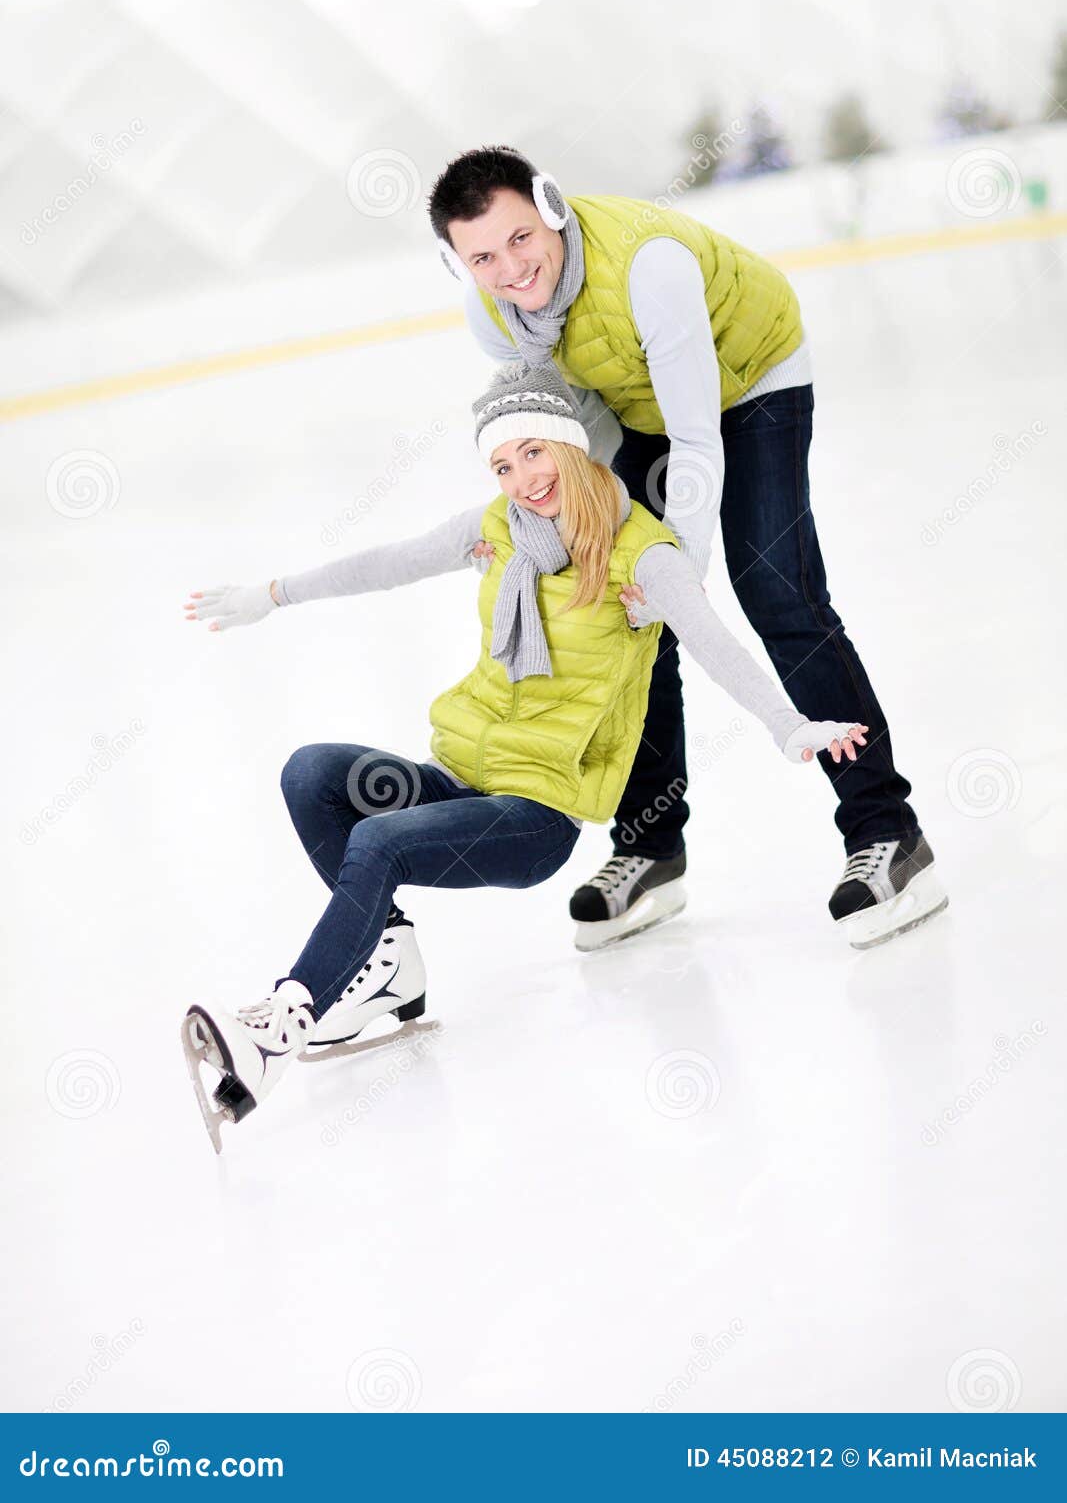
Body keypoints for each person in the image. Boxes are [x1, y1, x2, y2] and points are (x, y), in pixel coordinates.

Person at [180, 364, 866, 1152]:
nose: (521, 479)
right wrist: (272, 594)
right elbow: (388, 561)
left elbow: (715, 643)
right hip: (460, 775)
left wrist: (790, 728)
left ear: (573, 449)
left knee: (375, 843)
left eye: (533, 453)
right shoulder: (500, 529)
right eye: (502, 464)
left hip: (535, 815)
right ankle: (387, 966)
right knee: (310, 770)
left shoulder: (643, 557)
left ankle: (284, 1024)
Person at [427, 146, 947, 949]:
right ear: (456, 261)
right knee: (615, 603)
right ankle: (648, 849)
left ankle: (887, 835)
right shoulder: (488, 311)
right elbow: (565, 430)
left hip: (750, 379)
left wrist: (680, 572)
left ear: (549, 206)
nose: (510, 266)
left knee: (777, 589)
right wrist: (579, 538)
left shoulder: (648, 267)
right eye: (483, 256)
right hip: (631, 406)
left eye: (521, 237)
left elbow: (697, 438)